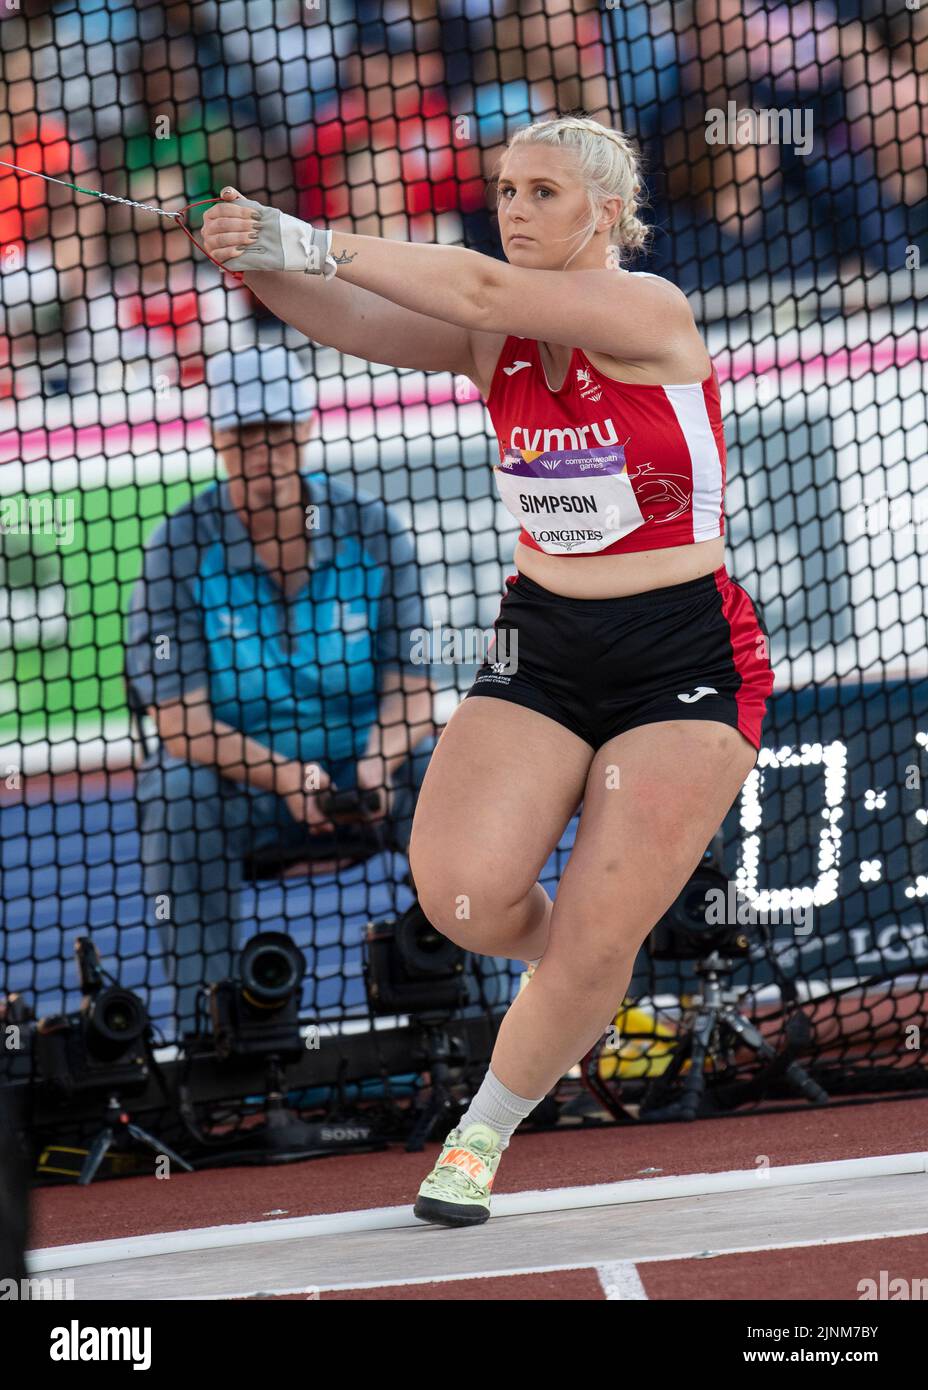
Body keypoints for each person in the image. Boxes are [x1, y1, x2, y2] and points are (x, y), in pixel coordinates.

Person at [200, 112, 776, 1225]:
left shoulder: (644, 306)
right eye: (505, 190)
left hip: (684, 654)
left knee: (603, 931)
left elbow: (468, 290)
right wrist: (261, 263)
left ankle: (483, 1129)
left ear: (604, 211)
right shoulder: (491, 333)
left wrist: (308, 235)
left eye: (542, 193)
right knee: (462, 895)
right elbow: (359, 323)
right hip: (543, 640)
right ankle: (586, 969)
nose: (513, 209)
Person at [125, 345, 440, 1040]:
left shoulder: (373, 532)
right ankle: (211, 1032)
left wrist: (376, 762)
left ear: (305, 431)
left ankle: (470, 1015)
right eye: (245, 441)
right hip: (242, 786)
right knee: (176, 792)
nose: (263, 460)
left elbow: (415, 691)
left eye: (276, 437)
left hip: (366, 773)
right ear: (217, 441)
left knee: (447, 770)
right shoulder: (176, 549)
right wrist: (287, 777)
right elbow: (180, 724)